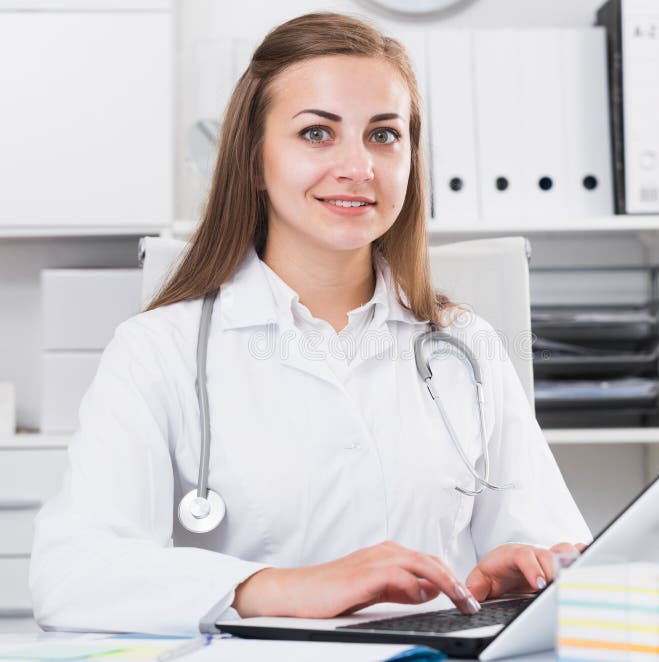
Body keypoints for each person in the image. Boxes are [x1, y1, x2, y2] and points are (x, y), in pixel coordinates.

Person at [30, 11, 591, 635]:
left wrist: (533, 567)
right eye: (317, 134)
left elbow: (556, 545)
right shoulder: (158, 351)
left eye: (384, 135)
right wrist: (287, 589)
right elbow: (71, 575)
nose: (359, 167)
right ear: (252, 156)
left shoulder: (466, 344)